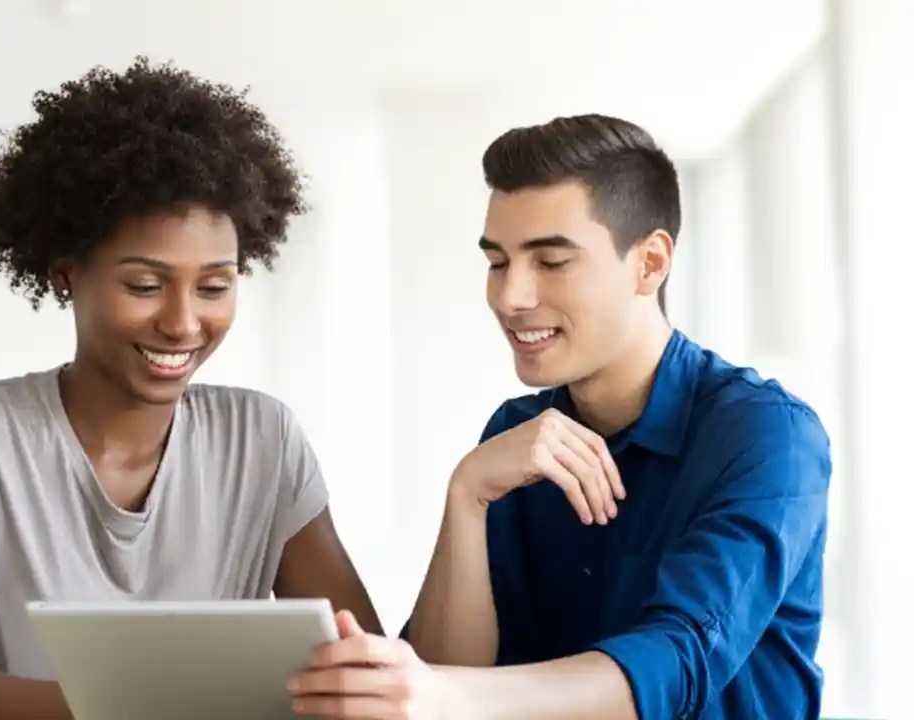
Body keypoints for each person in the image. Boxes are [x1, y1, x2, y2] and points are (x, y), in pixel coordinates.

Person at [0, 56, 382, 719]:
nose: (184, 322)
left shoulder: (263, 441)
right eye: (145, 285)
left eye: (215, 285)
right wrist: (130, 708)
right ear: (67, 273)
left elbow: (367, 671)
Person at [287, 114, 831, 719]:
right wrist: (465, 496)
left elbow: (677, 662)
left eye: (550, 263)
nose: (511, 297)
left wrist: (440, 692)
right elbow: (441, 685)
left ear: (649, 263)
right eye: (498, 262)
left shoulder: (768, 434)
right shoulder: (513, 436)